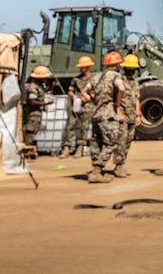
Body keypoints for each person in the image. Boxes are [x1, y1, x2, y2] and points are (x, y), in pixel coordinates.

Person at [86, 50, 126, 184]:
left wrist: (94, 100)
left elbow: (84, 92)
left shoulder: (96, 77)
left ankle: (95, 169)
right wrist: (117, 104)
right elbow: (121, 89)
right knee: (110, 143)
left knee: (96, 142)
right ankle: (98, 170)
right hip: (109, 113)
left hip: (96, 112)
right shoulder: (116, 76)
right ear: (118, 64)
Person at [110, 52, 142, 178]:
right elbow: (115, 99)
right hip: (122, 117)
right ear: (124, 68)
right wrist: (118, 112)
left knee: (128, 142)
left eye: (133, 69)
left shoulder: (135, 83)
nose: (131, 71)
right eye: (129, 69)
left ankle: (122, 164)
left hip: (132, 117)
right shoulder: (119, 81)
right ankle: (118, 166)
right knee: (121, 142)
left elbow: (137, 99)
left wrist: (138, 115)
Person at [59, 55, 96, 157]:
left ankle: (80, 148)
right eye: (81, 67)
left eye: (84, 66)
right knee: (70, 125)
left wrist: (88, 97)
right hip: (76, 105)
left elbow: (96, 92)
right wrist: (74, 96)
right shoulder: (76, 79)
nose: (82, 69)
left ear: (89, 66)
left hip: (88, 106)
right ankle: (67, 148)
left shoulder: (94, 79)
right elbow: (70, 91)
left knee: (84, 127)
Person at [22, 66, 53, 151]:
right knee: (30, 133)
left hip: (36, 114)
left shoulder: (39, 86)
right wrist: (46, 103)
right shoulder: (33, 87)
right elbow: (32, 102)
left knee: (33, 131)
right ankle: (26, 150)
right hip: (33, 114)